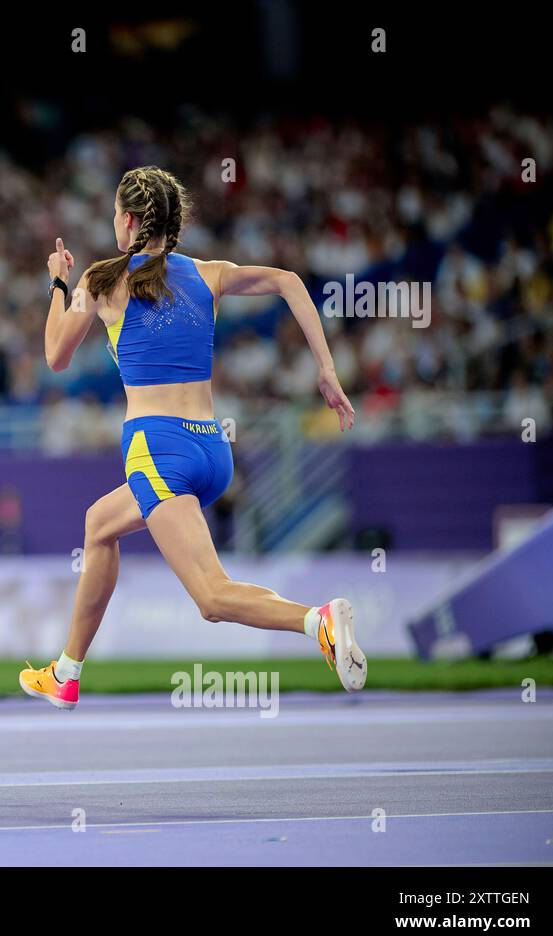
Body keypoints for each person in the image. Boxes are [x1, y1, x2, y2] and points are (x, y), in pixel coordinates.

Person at [20, 166, 366, 710]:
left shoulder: (101, 280)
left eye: (115, 214)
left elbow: (55, 357)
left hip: (157, 449)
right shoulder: (209, 273)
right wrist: (326, 369)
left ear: (130, 219)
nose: (113, 222)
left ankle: (314, 620)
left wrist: (58, 281)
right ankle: (66, 673)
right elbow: (289, 282)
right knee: (99, 524)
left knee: (211, 597)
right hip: (211, 448)